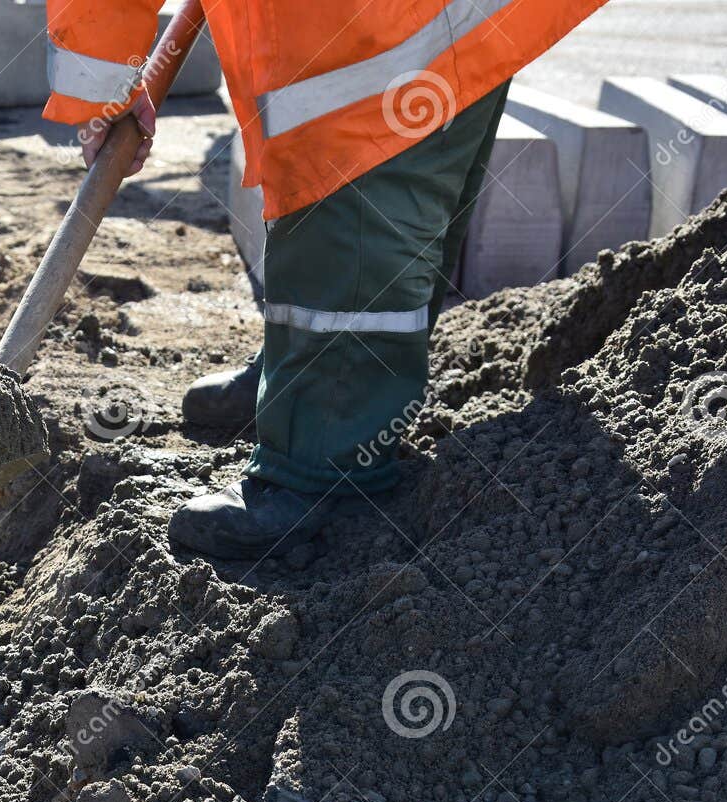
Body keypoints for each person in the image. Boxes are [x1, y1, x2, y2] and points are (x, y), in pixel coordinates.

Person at [46, 0, 608, 558]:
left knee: (354, 210)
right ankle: (305, 375)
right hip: (424, 25)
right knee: (388, 204)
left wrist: (103, 90)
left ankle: (326, 455)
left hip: (367, 34)